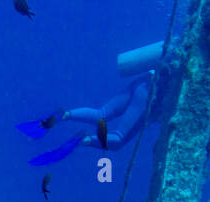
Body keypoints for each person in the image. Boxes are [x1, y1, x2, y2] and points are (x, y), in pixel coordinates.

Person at [18, 41, 167, 167]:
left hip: (141, 82)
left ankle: (65, 115)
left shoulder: (174, 50)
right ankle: (83, 140)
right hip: (149, 93)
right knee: (118, 138)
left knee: (101, 113)